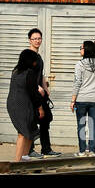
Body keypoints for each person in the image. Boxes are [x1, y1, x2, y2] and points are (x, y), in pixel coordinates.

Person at [27, 28, 62, 157]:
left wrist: (45, 86)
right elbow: (27, 76)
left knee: (45, 120)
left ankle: (46, 149)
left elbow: (39, 74)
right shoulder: (28, 56)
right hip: (31, 94)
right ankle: (29, 150)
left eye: (39, 38)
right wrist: (36, 87)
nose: (37, 41)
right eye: (34, 39)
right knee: (31, 121)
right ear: (29, 40)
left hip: (41, 94)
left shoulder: (39, 56)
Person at [70, 39, 95, 156]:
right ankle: (92, 151)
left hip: (82, 99)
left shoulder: (79, 64)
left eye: (81, 47)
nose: (80, 49)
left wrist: (73, 100)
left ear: (86, 50)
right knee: (93, 125)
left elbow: (77, 83)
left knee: (82, 124)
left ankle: (82, 151)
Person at [7, 49, 43, 162]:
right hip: (22, 105)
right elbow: (33, 93)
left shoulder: (15, 71)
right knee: (23, 133)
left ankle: (25, 157)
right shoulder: (29, 73)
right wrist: (40, 108)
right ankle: (17, 162)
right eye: (34, 60)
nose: (35, 63)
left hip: (12, 104)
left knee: (30, 130)